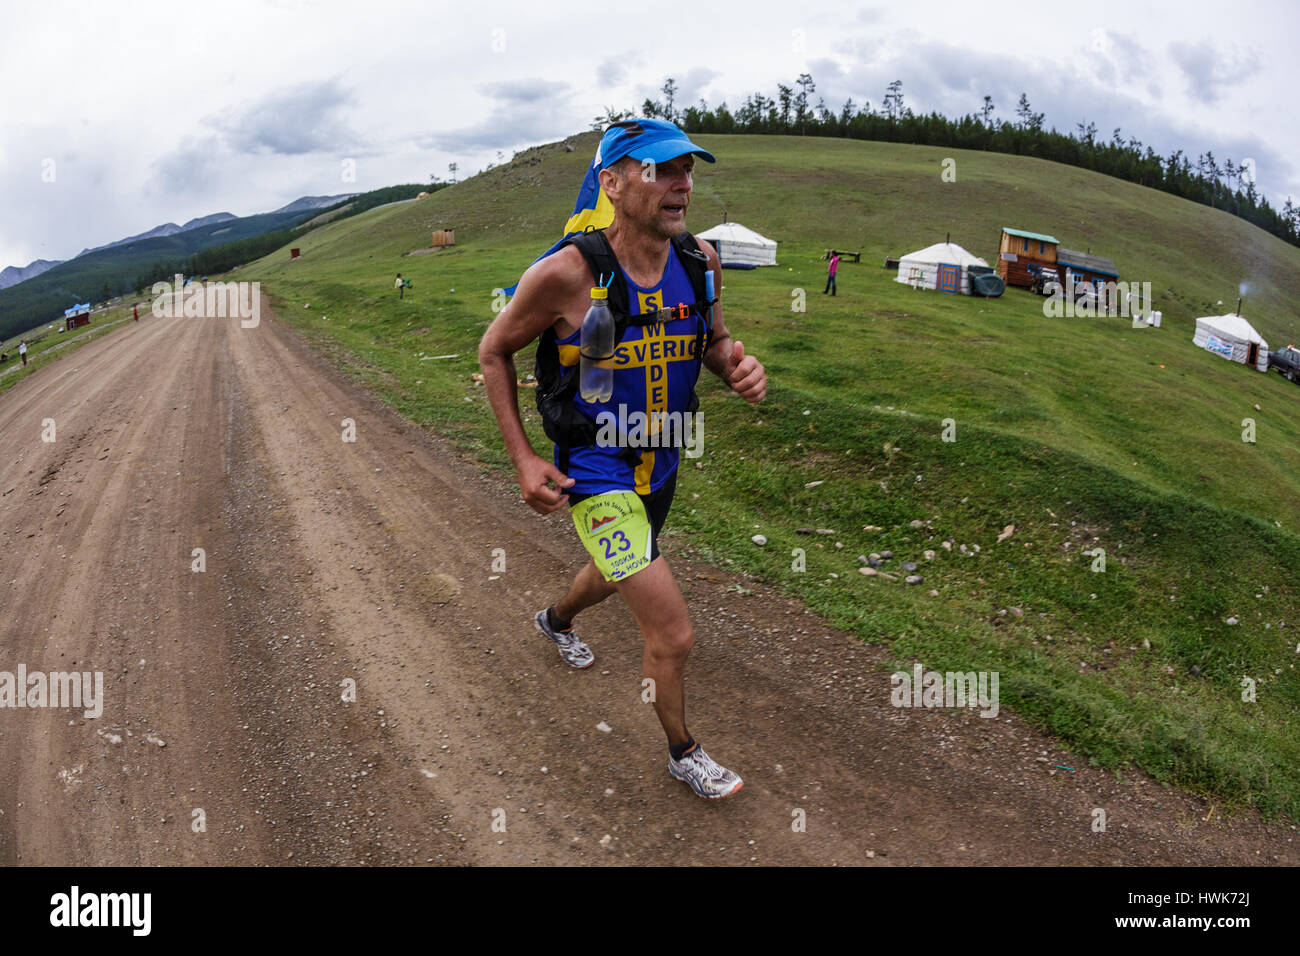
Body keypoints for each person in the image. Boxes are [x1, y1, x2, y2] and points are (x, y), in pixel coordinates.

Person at [479, 118, 766, 800]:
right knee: (673, 633)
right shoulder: (566, 275)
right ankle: (683, 751)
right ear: (612, 183)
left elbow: (714, 344)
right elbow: (494, 351)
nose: (681, 184)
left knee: (613, 574)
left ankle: (555, 619)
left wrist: (739, 369)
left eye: (687, 171)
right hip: (597, 470)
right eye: (660, 170)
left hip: (662, 463)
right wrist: (522, 459)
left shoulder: (700, 262)